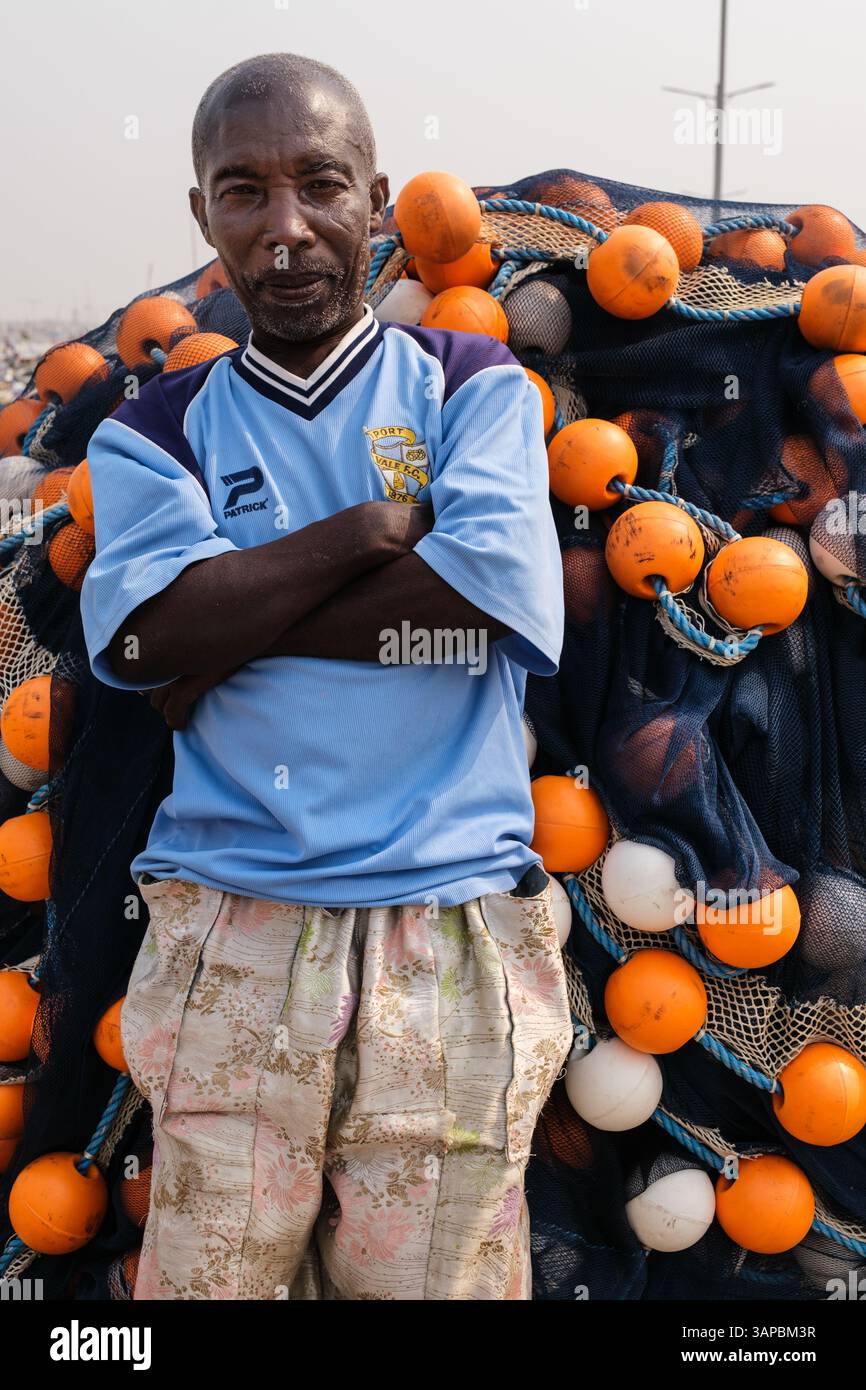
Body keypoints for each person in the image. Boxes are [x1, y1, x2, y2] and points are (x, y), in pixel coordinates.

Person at [81, 51, 572, 1301]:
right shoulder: (152, 430)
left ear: (378, 202)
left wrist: (223, 615)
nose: (285, 228)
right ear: (203, 218)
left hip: (451, 939)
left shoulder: (472, 388)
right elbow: (138, 649)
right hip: (232, 936)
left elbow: (478, 607)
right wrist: (363, 534)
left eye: (321, 185)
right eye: (242, 192)